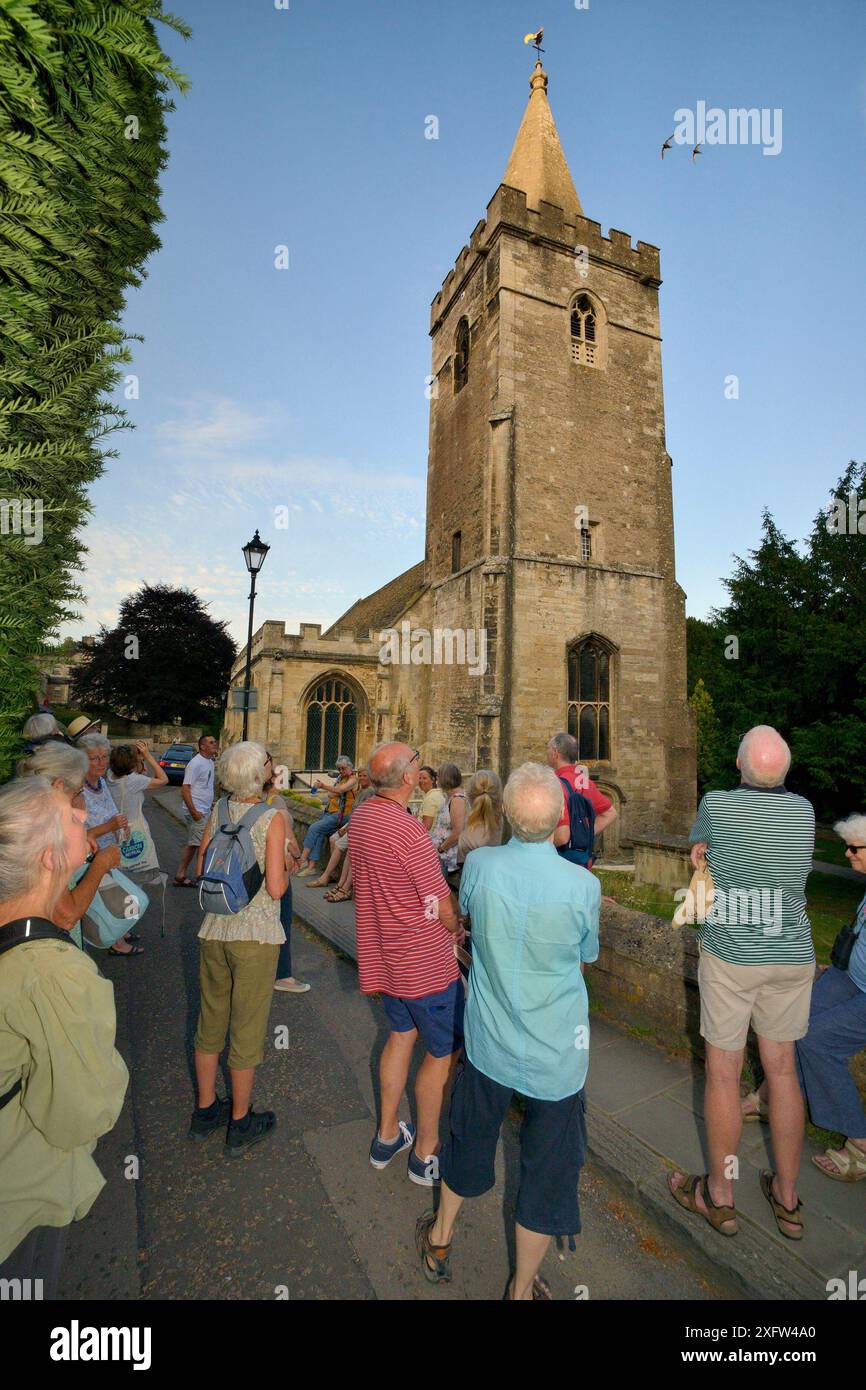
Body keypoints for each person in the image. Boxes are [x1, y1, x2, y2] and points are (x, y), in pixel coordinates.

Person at [416, 762, 600, 1298]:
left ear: (508, 816)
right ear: (560, 818)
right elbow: (584, 958)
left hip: (490, 1043)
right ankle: (520, 1289)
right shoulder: (582, 886)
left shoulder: (482, 867)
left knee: (469, 1138)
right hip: (556, 1055)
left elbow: (468, 919)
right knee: (545, 1173)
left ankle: (442, 1237)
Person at [669, 726, 816, 1240]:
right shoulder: (804, 812)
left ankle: (721, 1194)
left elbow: (698, 849)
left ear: (738, 765)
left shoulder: (718, 804)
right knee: (782, 1073)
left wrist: (705, 856)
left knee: (725, 1073)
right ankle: (788, 1198)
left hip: (734, 956)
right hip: (792, 955)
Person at [0, 776, 129, 1297]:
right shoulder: (52, 973)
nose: (85, 815)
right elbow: (85, 1113)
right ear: (51, 858)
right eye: (72, 817)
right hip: (20, 1200)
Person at [349, 742, 464, 1186]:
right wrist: (456, 927)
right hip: (425, 964)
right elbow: (438, 902)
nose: (421, 765)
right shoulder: (408, 831)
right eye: (416, 761)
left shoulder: (362, 816)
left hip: (385, 958)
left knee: (399, 1038)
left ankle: (386, 1135)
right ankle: (425, 1153)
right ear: (407, 779)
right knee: (442, 1053)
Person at [742, 812, 866, 1183]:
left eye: (853, 848)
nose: (847, 854)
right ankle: (770, 1097)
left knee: (816, 1040)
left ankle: (859, 1142)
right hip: (850, 977)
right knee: (791, 1016)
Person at [190, 741, 289, 1155]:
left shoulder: (217, 811)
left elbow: (200, 870)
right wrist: (288, 864)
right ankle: (241, 1122)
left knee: (211, 1019)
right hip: (255, 936)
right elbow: (277, 887)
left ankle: (206, 1109)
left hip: (214, 929)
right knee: (246, 1027)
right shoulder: (272, 817)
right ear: (258, 773)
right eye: (268, 761)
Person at [16, 743, 122, 951]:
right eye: (78, 792)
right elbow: (66, 916)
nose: (82, 810)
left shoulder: (23, 815)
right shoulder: (43, 833)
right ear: (57, 787)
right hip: (43, 949)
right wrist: (101, 863)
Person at [79, 733, 141, 957]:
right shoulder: (78, 791)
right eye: (94, 758)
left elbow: (112, 811)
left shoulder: (101, 782)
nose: (101, 762)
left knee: (112, 897)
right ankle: (115, 942)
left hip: (110, 853)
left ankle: (119, 933)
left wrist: (121, 825)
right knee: (111, 899)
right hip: (91, 856)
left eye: (104, 757)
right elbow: (80, 834)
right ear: (83, 761)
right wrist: (109, 826)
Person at [262, 752, 309, 995]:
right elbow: (289, 837)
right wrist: (299, 856)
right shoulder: (275, 802)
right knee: (282, 921)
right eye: (271, 762)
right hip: (278, 869)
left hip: (258, 869)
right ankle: (283, 975)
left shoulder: (241, 799)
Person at [546, 732, 617, 868]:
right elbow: (610, 814)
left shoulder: (554, 784)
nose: (547, 753)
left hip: (559, 863)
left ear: (555, 753)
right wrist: (583, 835)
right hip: (582, 862)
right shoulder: (585, 782)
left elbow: (561, 837)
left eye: (548, 749)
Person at [107, 740, 168, 873]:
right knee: (137, 870)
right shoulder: (133, 781)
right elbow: (164, 779)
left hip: (115, 828)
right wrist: (147, 755)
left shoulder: (110, 776)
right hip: (135, 828)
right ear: (132, 764)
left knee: (121, 871)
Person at [313, 769, 375, 899]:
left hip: (360, 828)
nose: (362, 778)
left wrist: (348, 828)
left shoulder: (369, 792)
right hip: (354, 825)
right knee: (334, 840)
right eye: (361, 776)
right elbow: (355, 812)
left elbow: (364, 815)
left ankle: (342, 885)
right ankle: (338, 881)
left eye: (365, 776)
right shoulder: (361, 790)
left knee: (347, 849)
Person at [295, 756, 357, 876]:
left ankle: (302, 860)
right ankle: (311, 867)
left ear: (350, 767)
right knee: (319, 834)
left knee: (314, 828)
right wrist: (334, 790)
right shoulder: (341, 778)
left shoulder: (353, 779)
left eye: (343, 768)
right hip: (331, 812)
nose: (341, 771)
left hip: (342, 815)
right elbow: (330, 795)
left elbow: (339, 791)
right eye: (339, 769)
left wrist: (323, 785)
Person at [174, 733, 218, 888]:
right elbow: (185, 788)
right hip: (196, 811)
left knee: (194, 844)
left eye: (215, 742)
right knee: (202, 845)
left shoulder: (210, 762)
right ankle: (201, 877)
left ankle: (181, 874)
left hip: (204, 809)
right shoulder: (195, 763)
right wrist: (193, 811)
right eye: (211, 742)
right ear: (202, 746)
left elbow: (204, 786)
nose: (215, 744)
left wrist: (210, 802)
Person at [430, 763, 466, 875]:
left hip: (450, 860)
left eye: (438, 776)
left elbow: (458, 833)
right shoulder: (449, 797)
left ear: (445, 778)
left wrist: (440, 849)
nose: (436, 779)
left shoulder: (457, 800)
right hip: (443, 857)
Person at [418, 766, 445, 831]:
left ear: (432, 780)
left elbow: (426, 827)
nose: (421, 781)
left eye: (424, 778)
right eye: (419, 778)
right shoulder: (438, 794)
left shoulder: (431, 798)